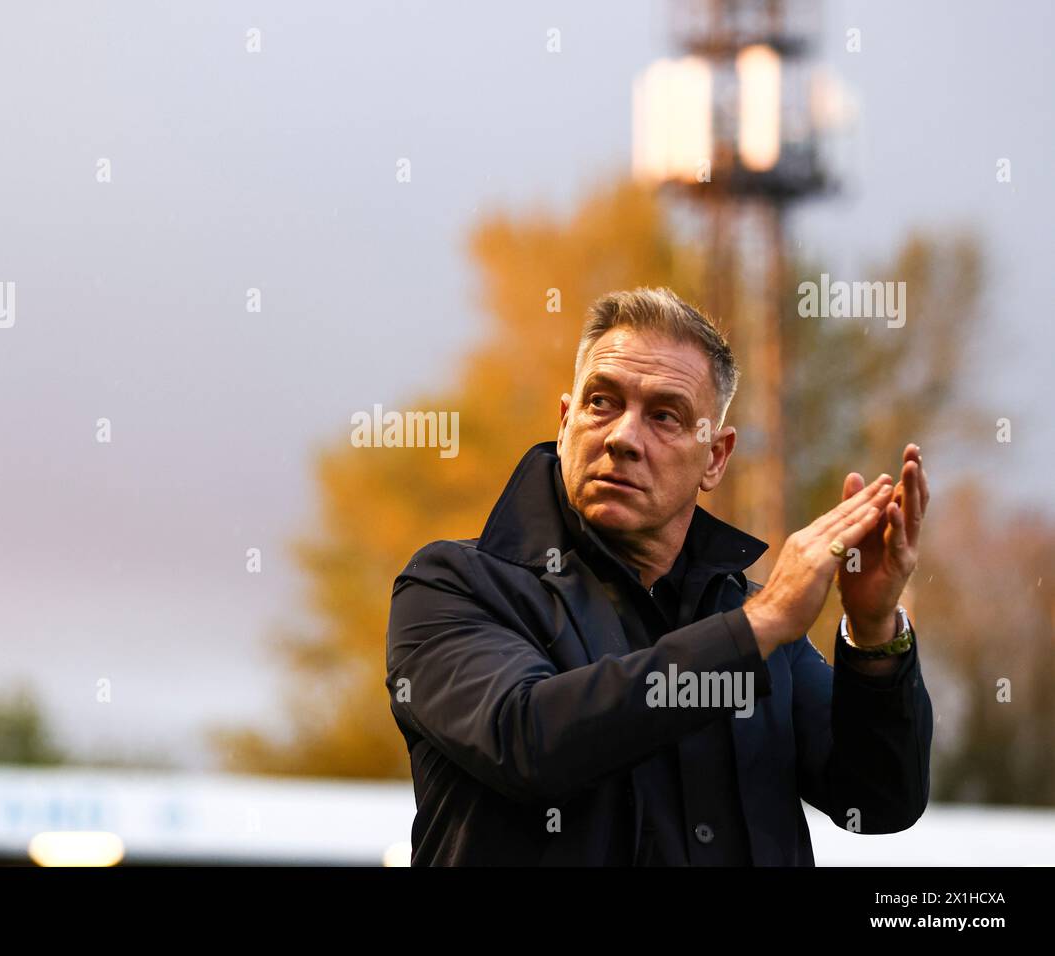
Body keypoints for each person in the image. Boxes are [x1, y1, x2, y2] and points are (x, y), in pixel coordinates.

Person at [384, 286, 932, 865]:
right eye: (602, 402)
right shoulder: (451, 584)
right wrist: (755, 629)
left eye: (664, 416)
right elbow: (526, 741)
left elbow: (879, 802)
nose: (622, 437)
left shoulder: (759, 628)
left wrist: (873, 632)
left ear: (715, 458)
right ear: (567, 419)